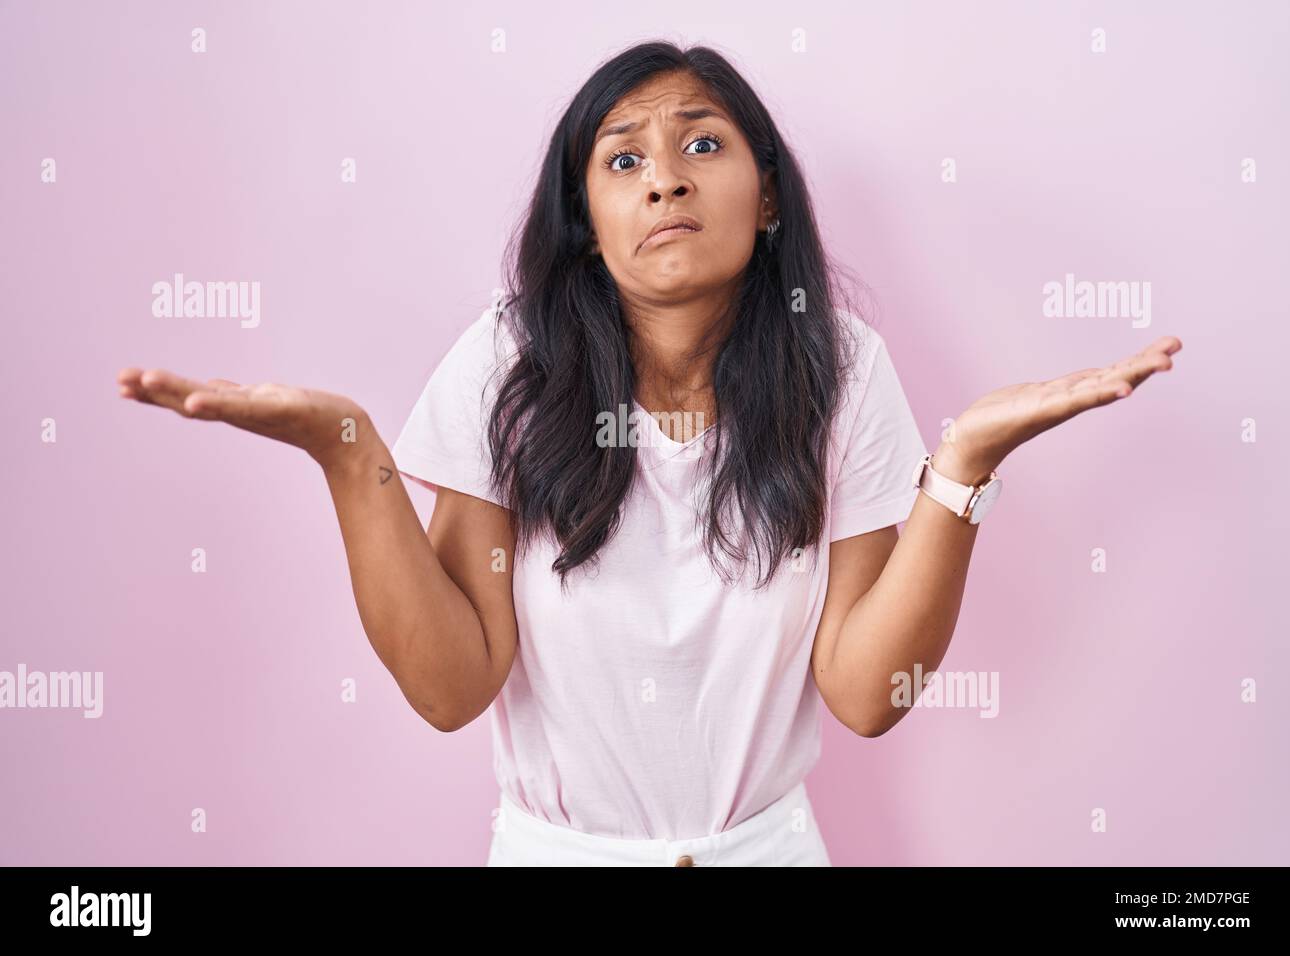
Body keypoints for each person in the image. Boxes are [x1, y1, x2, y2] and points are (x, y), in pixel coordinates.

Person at [116, 41, 1181, 866]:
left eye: (701, 144)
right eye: (623, 159)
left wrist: (962, 470)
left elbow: (866, 692)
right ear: (586, 221)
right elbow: (450, 685)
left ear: (766, 196)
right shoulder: (509, 362)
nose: (665, 180)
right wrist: (347, 452)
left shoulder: (840, 367)